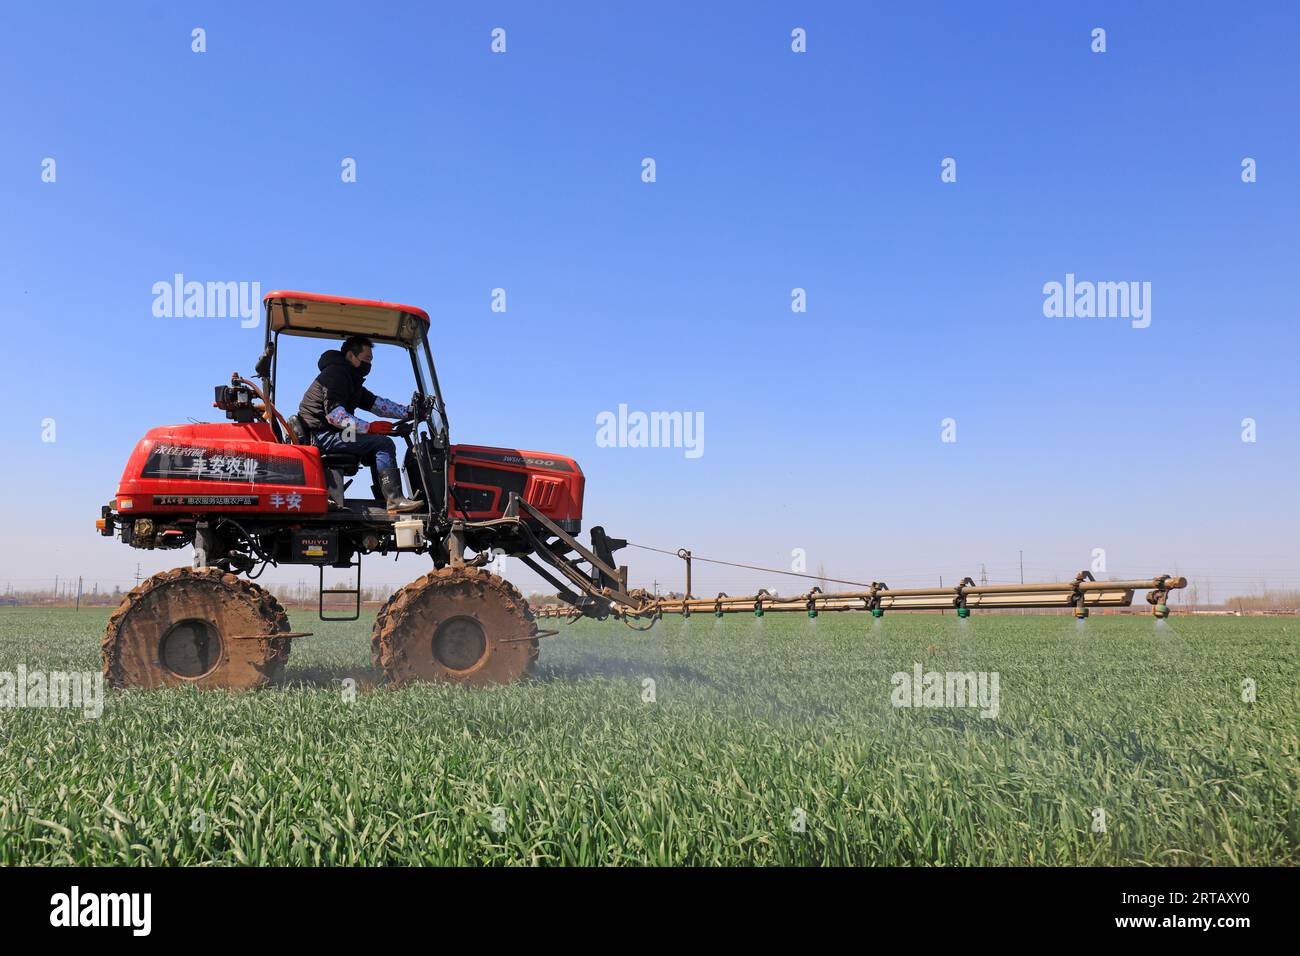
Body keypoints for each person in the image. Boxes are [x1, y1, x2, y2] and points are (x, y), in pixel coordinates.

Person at [297, 335, 420, 513]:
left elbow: (376, 404)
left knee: (375, 440)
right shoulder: (336, 375)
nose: (369, 364)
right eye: (367, 359)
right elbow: (335, 416)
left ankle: (384, 499)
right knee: (383, 443)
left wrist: (409, 411)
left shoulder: (349, 378)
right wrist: (370, 427)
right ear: (351, 356)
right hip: (322, 436)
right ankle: (394, 500)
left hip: (330, 433)